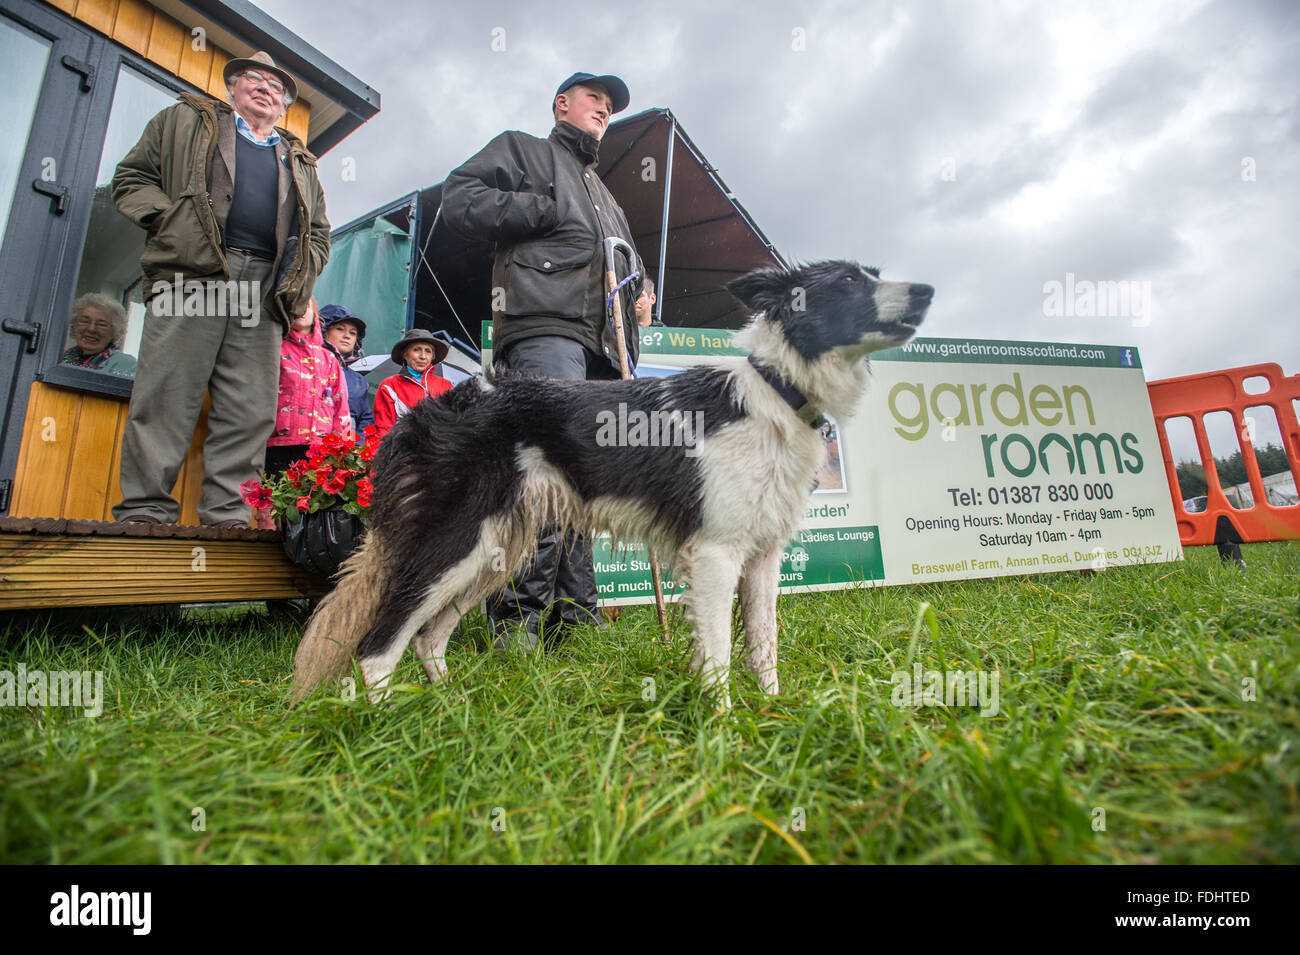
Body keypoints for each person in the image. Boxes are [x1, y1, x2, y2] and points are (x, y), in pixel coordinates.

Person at [440, 70, 644, 651]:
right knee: (542, 478)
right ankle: (515, 625)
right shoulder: (524, 151)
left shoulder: (603, 193)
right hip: (544, 327)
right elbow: (462, 198)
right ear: (562, 104)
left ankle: (575, 619)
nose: (604, 109)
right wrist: (539, 209)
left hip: (604, 349)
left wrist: (643, 289)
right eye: (595, 99)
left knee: (586, 484)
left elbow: (623, 261)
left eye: (610, 105)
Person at [109, 51, 330, 528]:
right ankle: (145, 511)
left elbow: (319, 233)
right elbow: (131, 179)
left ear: (284, 105)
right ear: (232, 86)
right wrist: (170, 222)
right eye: (255, 78)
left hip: (263, 287)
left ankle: (228, 516)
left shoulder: (300, 160)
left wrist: (298, 284)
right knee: (168, 391)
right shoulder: (185, 121)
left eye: (277, 87)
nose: (266, 89)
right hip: (196, 272)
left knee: (249, 408)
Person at [372, 328, 452, 443]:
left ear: (433, 356)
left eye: (428, 351)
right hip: (403, 452)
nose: (423, 356)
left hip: (439, 453)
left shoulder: (445, 385)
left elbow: (452, 424)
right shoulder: (389, 386)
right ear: (405, 354)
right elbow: (384, 429)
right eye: (416, 350)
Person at [318, 304, 375, 439]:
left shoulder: (359, 381)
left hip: (346, 450)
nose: (347, 336)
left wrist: (356, 449)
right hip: (312, 445)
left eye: (352, 333)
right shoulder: (309, 369)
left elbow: (366, 419)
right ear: (324, 331)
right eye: (340, 329)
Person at [62, 293, 138, 376]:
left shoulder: (126, 365)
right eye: (85, 321)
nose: (91, 329)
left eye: (101, 324)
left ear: (115, 331)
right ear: (74, 325)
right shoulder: (59, 359)